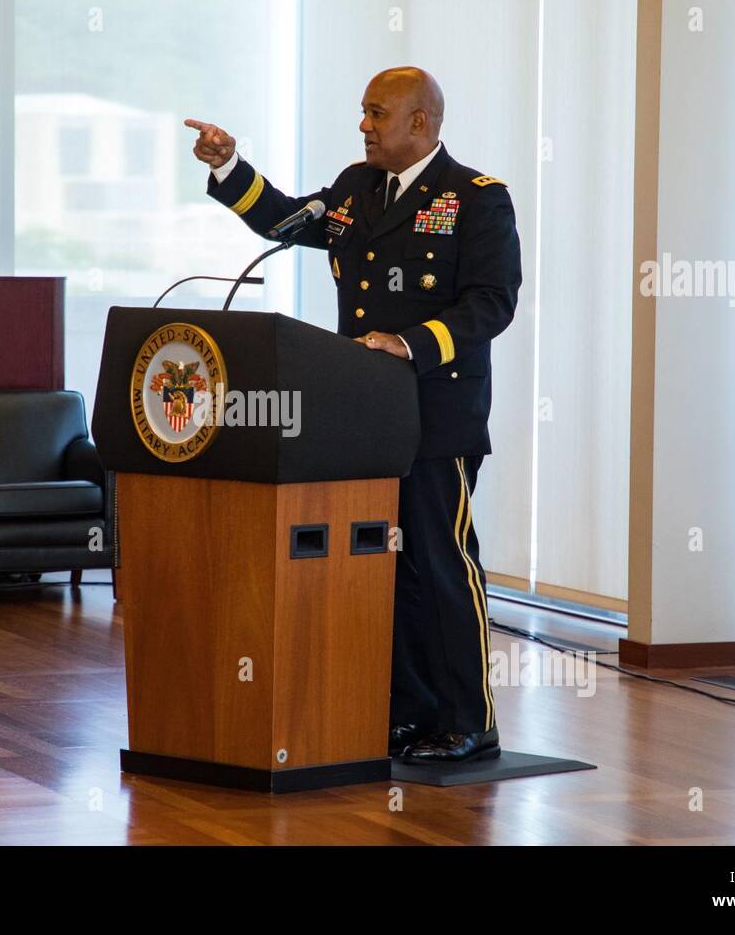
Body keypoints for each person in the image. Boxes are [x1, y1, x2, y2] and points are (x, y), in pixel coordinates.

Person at [185, 66, 521, 763]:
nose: (363, 125)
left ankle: (469, 719)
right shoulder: (354, 188)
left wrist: (408, 343)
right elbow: (284, 218)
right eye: (363, 113)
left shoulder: (475, 198)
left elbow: (493, 302)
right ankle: (409, 712)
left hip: (438, 414)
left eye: (376, 113)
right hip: (365, 416)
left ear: (420, 123)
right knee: (385, 566)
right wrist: (230, 166)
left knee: (442, 562)